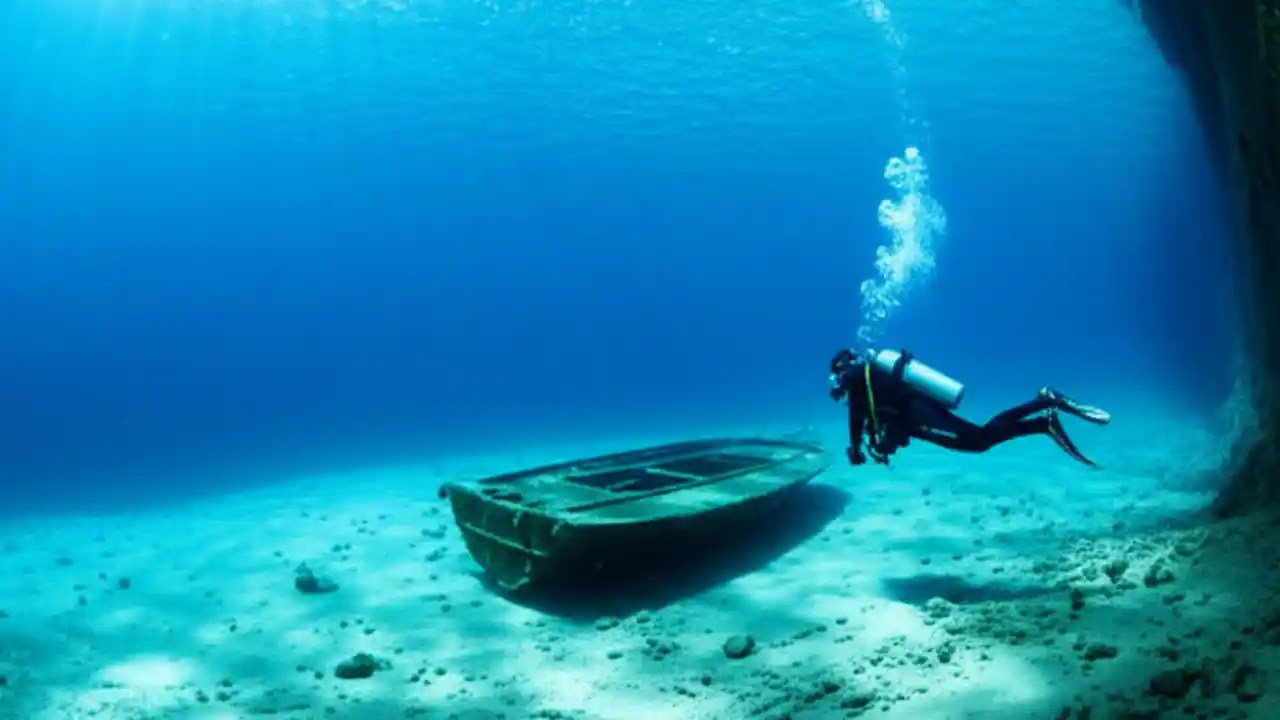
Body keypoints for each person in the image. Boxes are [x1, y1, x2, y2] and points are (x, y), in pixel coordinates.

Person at [828, 348, 1111, 468]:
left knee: (978, 439)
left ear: (841, 369)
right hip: (917, 416)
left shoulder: (856, 376)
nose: (838, 388)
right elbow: (890, 429)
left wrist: (854, 447)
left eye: (835, 379)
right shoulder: (867, 383)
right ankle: (1042, 421)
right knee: (979, 440)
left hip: (919, 412)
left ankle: (1046, 403)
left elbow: (856, 415)